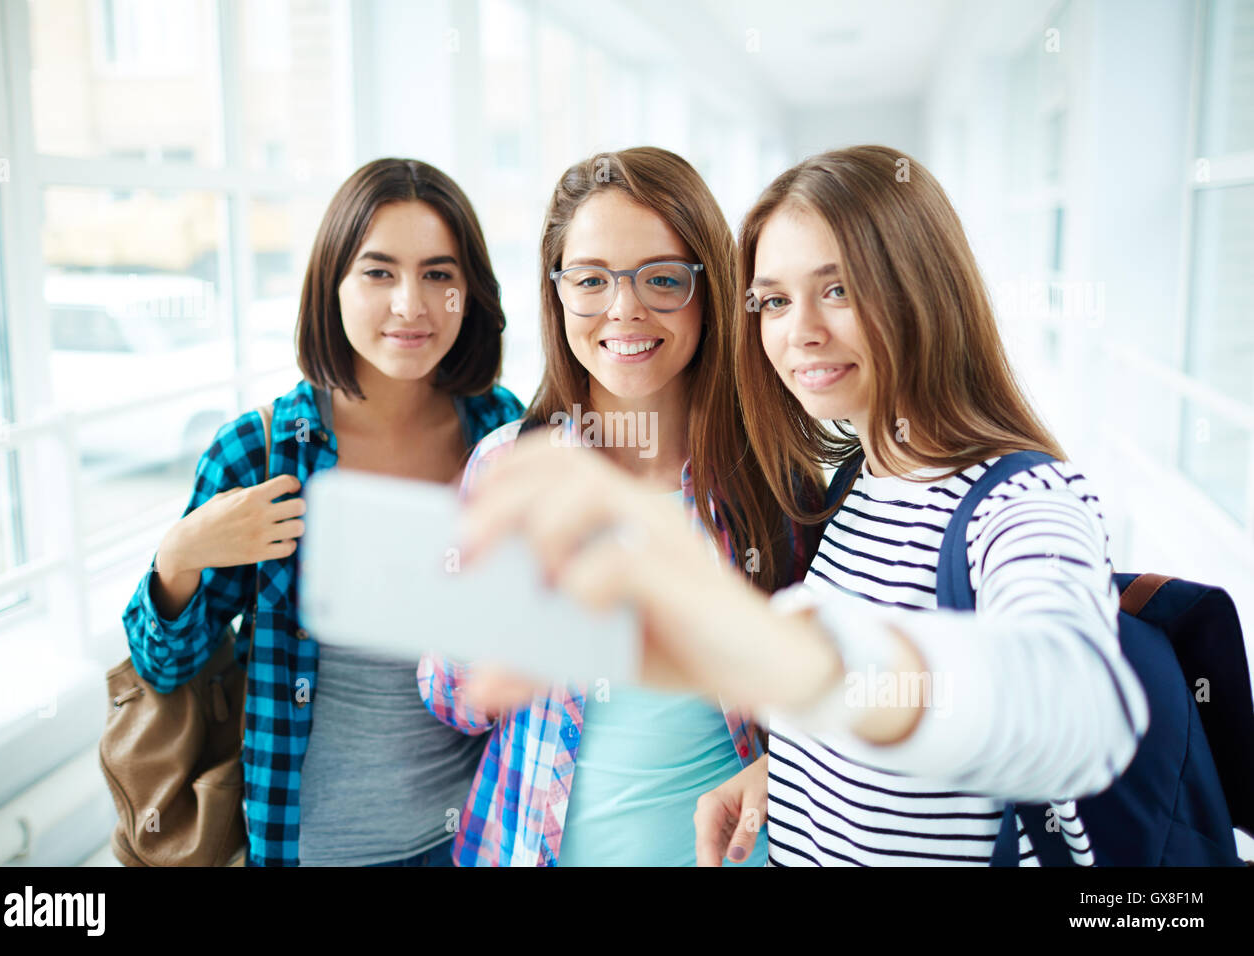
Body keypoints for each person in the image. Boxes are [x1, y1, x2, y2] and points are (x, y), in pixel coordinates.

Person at [457, 145, 1147, 867]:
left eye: (839, 289)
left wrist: (788, 657)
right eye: (775, 300)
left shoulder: (1020, 501)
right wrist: (780, 769)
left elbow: (1083, 707)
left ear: (924, 289)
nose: (800, 331)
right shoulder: (855, 493)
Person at [121, 158, 523, 867]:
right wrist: (180, 555)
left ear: (471, 293)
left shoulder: (502, 433)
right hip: (316, 850)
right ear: (331, 286)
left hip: (476, 838)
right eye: (378, 272)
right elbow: (165, 665)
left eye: (439, 274)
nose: (410, 304)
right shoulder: (264, 451)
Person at [418, 147, 801, 866]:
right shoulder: (507, 465)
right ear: (558, 291)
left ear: (709, 289)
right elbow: (450, 701)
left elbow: (819, 702)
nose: (624, 309)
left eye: (661, 278)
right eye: (591, 280)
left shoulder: (774, 480)